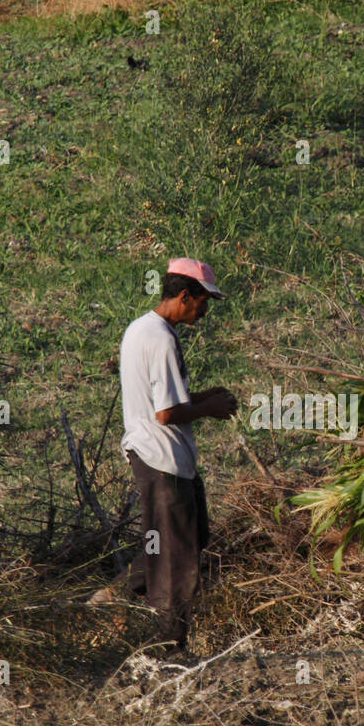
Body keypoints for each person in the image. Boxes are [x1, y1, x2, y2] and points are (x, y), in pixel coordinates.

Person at [93, 258, 238, 649]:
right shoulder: (160, 338)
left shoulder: (144, 329)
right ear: (185, 296)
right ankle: (170, 647)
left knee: (183, 538)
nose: (206, 310)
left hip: (161, 458)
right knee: (178, 560)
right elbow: (166, 413)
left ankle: (113, 597)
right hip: (162, 459)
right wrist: (210, 409)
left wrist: (205, 397)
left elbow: (166, 400)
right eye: (204, 300)